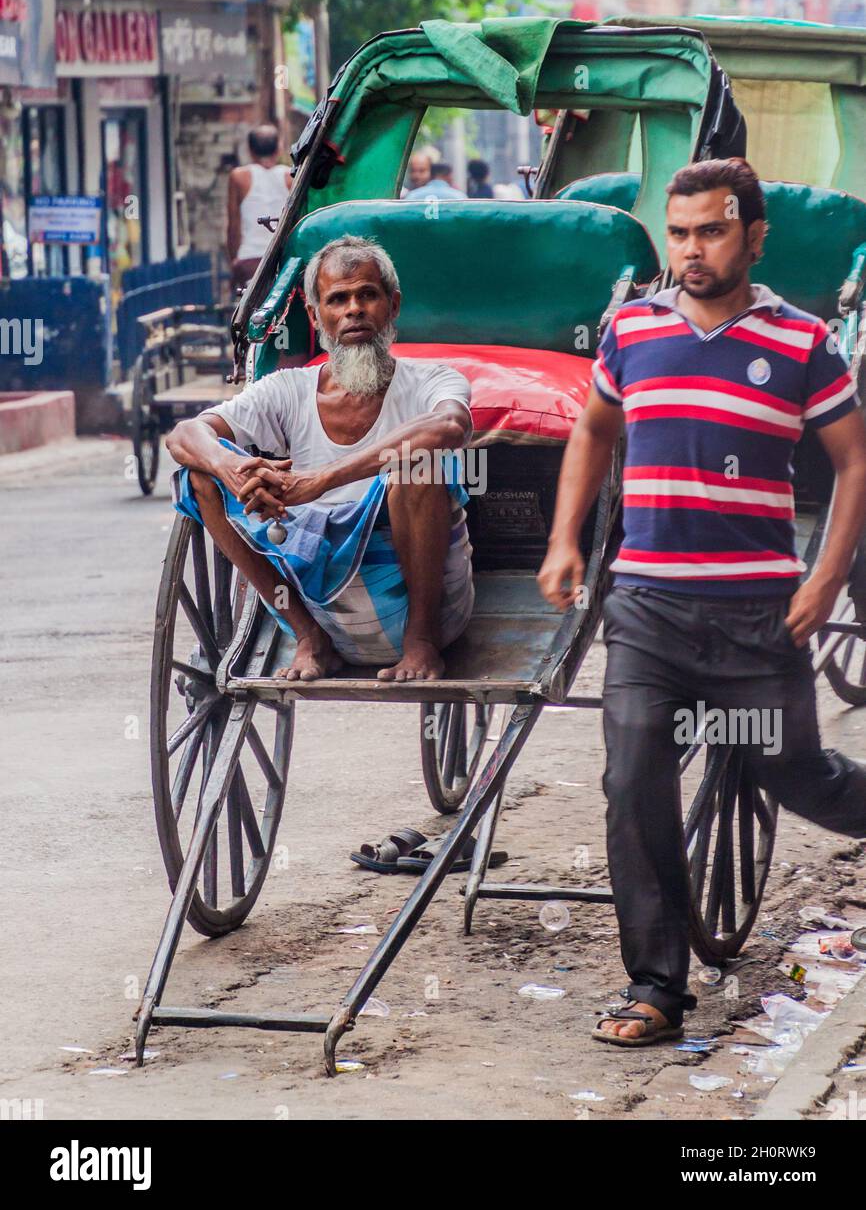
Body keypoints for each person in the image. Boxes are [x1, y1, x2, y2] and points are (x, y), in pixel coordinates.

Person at [537, 157, 866, 1047]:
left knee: (793, 773)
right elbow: (594, 430)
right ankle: (654, 984)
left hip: (758, 616)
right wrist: (567, 537)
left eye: (711, 230)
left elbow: (854, 462)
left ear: (753, 238)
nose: (691, 249)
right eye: (678, 232)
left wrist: (825, 577)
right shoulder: (633, 330)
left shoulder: (802, 342)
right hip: (645, 606)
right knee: (632, 775)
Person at [166, 236, 475, 683]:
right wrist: (228, 469)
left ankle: (421, 644)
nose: (354, 310)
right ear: (315, 316)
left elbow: (450, 427)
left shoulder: (433, 380)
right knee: (200, 476)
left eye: (367, 295)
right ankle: (309, 639)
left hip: (426, 607)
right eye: (338, 299)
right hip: (323, 604)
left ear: (393, 305)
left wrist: (321, 480)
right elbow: (185, 433)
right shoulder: (289, 389)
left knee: (418, 462)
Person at [226, 125, 293, 294]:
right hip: (283, 259)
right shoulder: (290, 176)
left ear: (250, 150)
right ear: (279, 148)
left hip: (249, 259)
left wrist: (234, 260)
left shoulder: (239, 177)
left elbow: (233, 225)